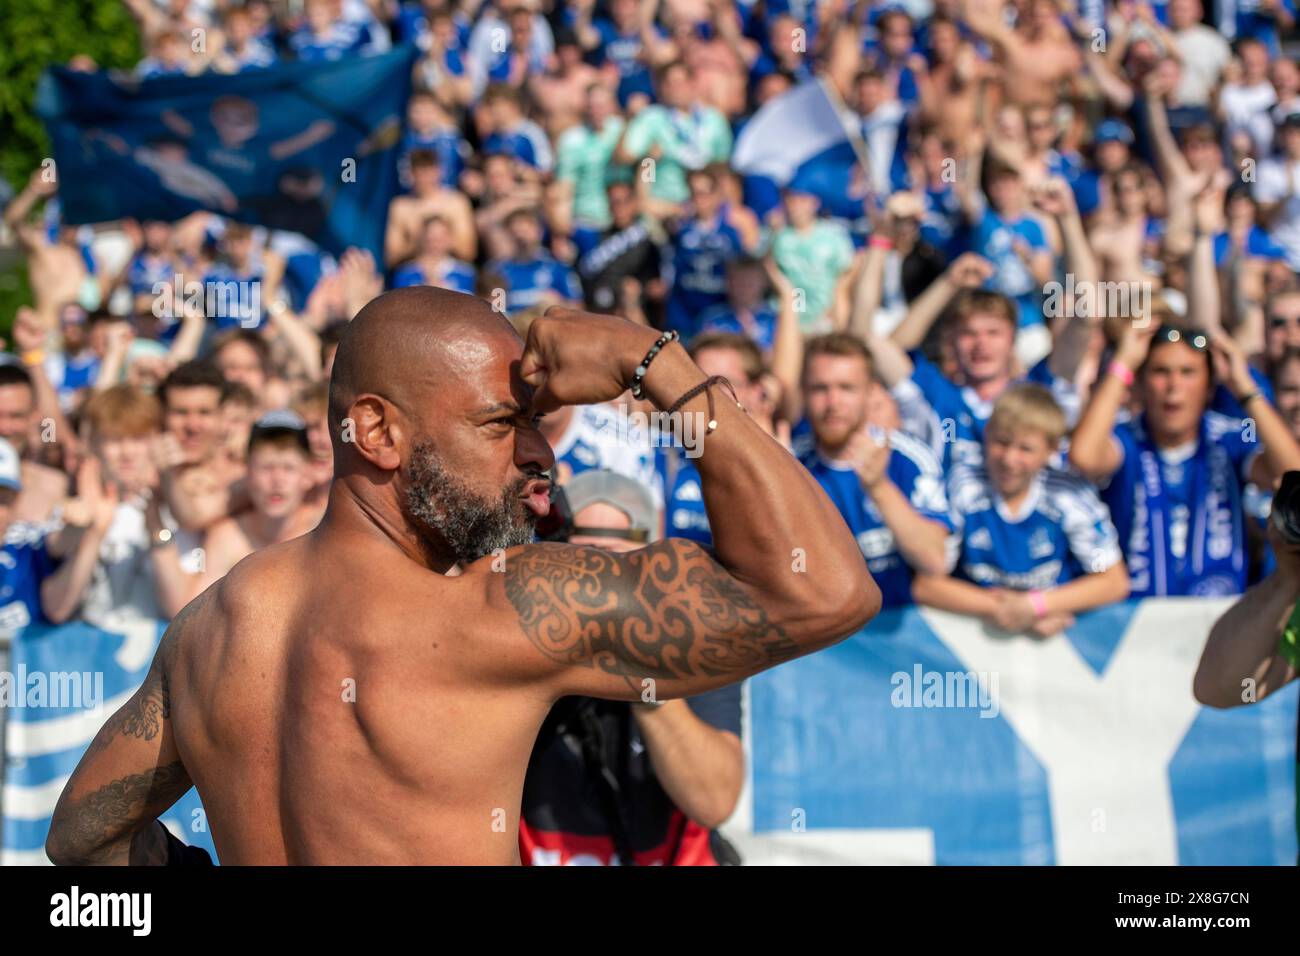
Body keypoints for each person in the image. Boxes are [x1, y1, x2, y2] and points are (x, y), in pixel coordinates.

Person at [46, 290, 880, 865]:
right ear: (376, 430)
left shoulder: (208, 627)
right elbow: (823, 591)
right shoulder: (496, 610)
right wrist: (652, 363)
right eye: (500, 425)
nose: (540, 453)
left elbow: (82, 838)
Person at [520, 469, 743, 866]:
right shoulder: (521, 644)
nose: (597, 587)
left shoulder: (696, 644)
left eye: (613, 563)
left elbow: (714, 802)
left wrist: (641, 673)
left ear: (651, 569)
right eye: (581, 561)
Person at [913, 384, 1130, 635]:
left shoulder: (1068, 494)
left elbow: (1110, 579)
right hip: (981, 642)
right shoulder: (964, 486)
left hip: (1057, 639)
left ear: (1050, 450)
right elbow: (928, 583)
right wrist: (1001, 609)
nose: (1009, 459)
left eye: (1025, 448)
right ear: (986, 436)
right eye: (1001, 443)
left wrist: (1037, 606)